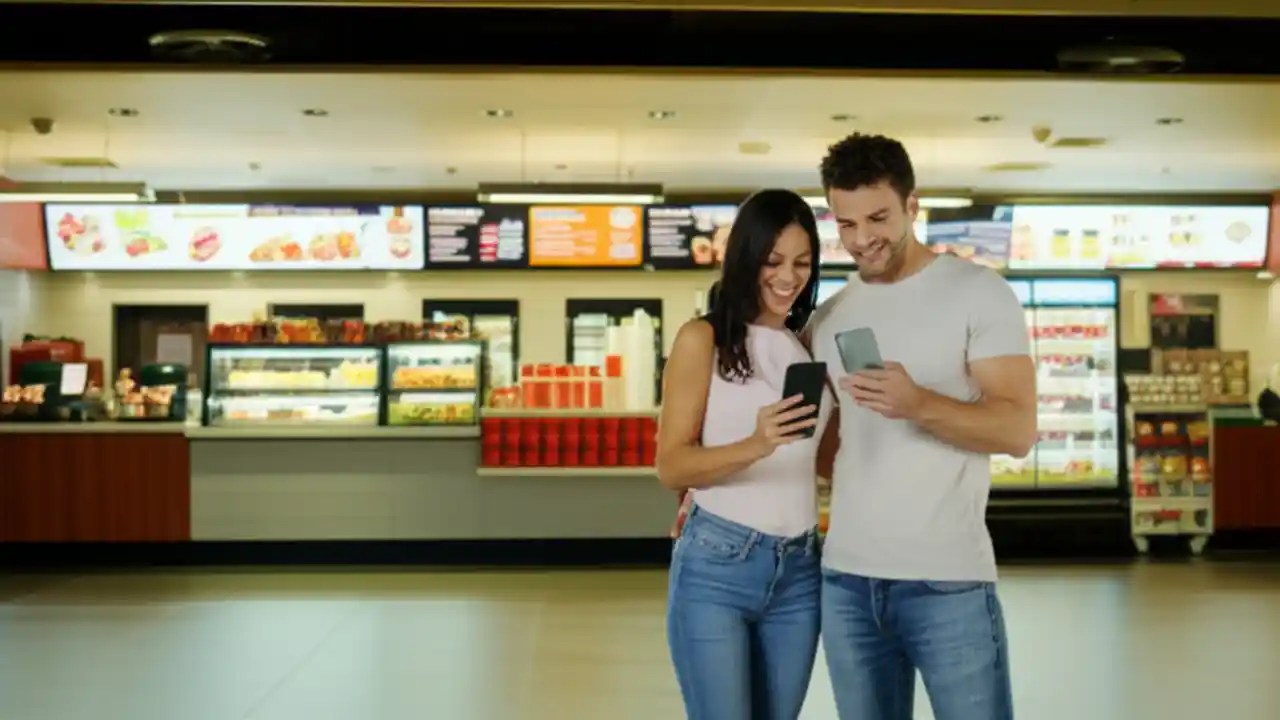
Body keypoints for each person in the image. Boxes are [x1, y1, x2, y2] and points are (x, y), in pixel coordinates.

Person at [806, 133, 1037, 720]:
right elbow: (823, 447)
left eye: (878, 217)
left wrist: (919, 404)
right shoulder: (830, 317)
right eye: (847, 223)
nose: (862, 239)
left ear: (913, 205)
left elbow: (1016, 430)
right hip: (848, 582)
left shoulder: (979, 294)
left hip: (948, 582)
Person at [657, 188, 833, 720]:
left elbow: (821, 461)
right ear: (745, 258)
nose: (788, 276)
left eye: (802, 262)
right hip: (718, 564)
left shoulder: (809, 344)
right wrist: (755, 444)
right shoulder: (702, 339)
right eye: (773, 260)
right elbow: (671, 466)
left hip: (801, 568)